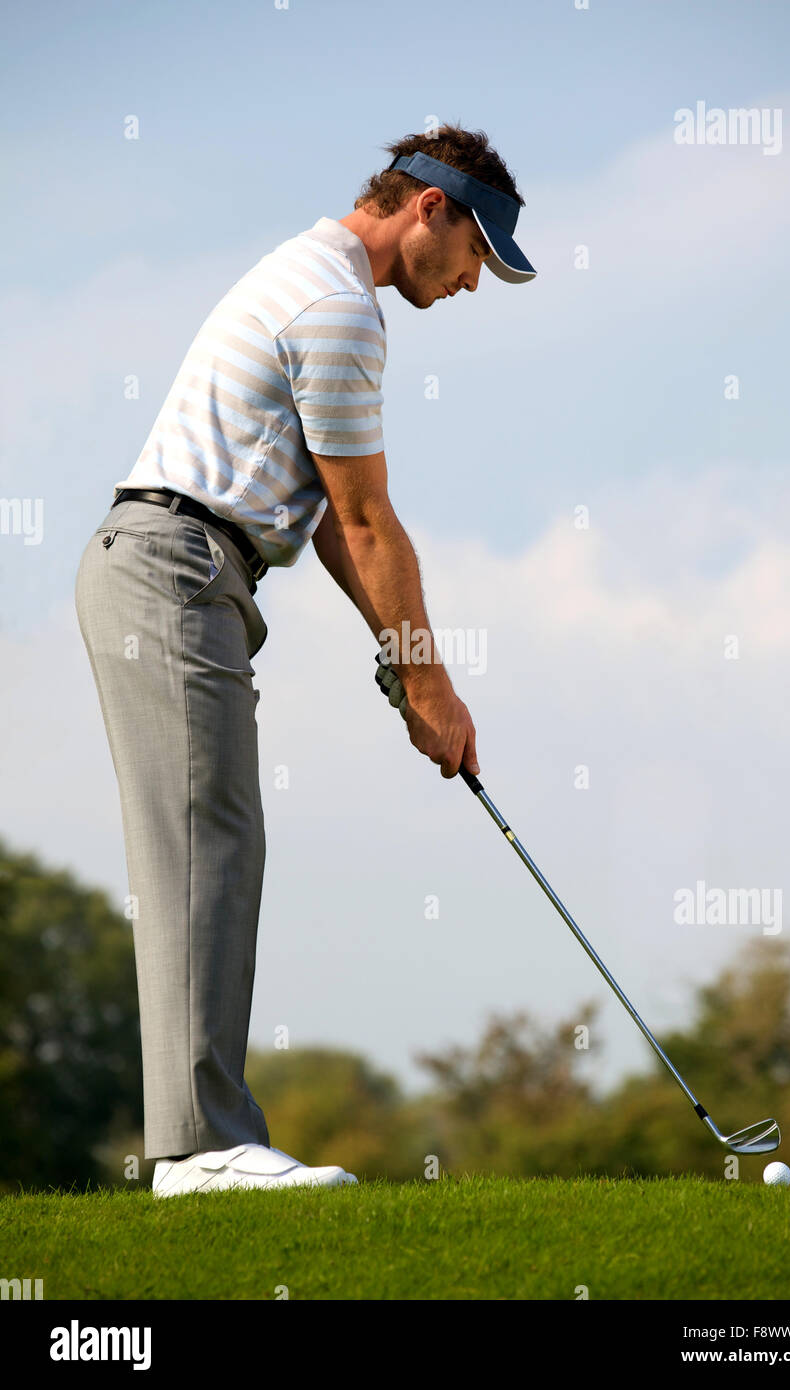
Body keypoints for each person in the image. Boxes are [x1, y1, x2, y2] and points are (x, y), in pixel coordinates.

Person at [74, 124, 536, 1197]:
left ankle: (200, 1138)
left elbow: (332, 523)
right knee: (209, 840)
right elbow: (368, 521)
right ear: (428, 208)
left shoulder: (314, 276)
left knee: (216, 837)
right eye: (475, 255)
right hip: (174, 568)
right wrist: (431, 683)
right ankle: (198, 1148)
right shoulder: (336, 307)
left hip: (183, 567)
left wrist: (400, 668)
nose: (472, 284)